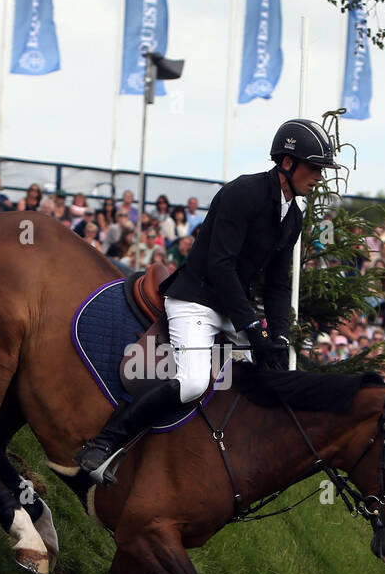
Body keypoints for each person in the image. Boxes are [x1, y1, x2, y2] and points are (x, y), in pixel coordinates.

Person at [74, 118, 336, 482]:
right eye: (315, 167)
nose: (320, 177)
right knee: (194, 382)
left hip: (230, 306)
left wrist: (277, 336)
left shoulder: (292, 215)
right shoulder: (243, 193)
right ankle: (104, 442)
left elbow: (278, 283)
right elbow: (220, 265)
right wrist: (249, 326)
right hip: (195, 300)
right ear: (288, 162)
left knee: (271, 375)